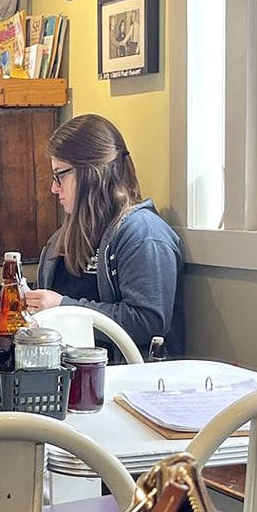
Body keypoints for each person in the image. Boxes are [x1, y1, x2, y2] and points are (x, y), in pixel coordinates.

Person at [26, 113, 185, 357]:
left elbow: (148, 322)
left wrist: (63, 308)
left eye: (60, 175)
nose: (53, 188)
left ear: (91, 172)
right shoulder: (61, 239)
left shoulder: (144, 235)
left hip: (127, 379)